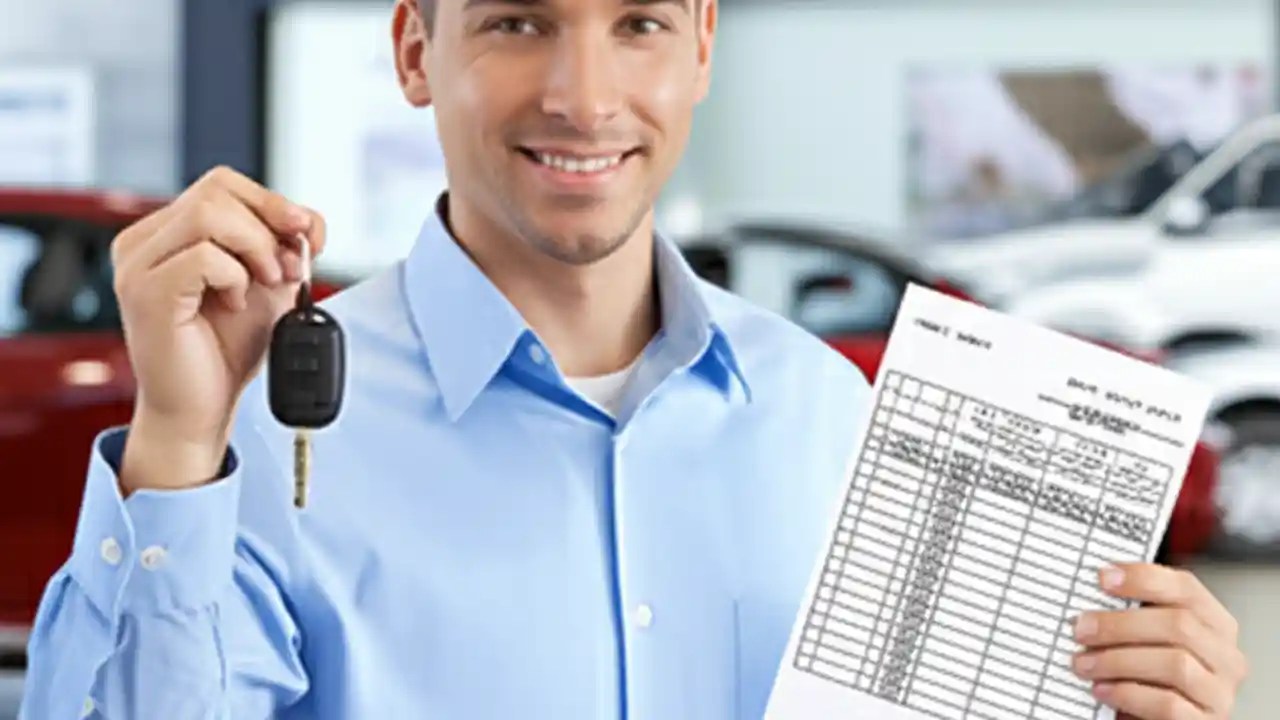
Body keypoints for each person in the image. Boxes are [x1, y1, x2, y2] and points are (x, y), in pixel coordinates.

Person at [20, 0, 1247, 717]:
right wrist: (178, 447)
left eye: (639, 23)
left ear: (700, 46)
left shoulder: (831, 415)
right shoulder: (251, 439)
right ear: (412, 48)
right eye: (517, 20)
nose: (583, 95)